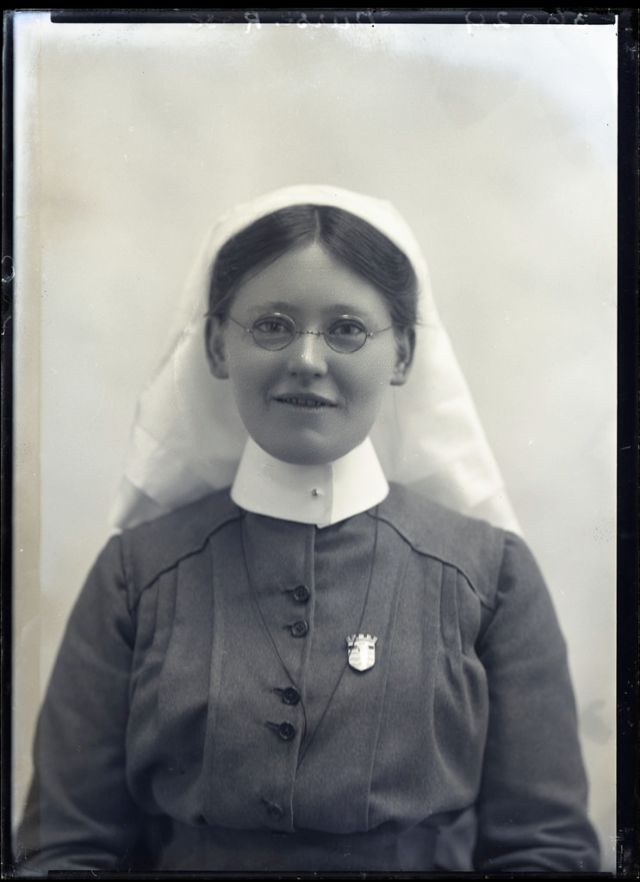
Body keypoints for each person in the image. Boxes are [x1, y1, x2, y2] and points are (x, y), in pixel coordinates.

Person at [15, 185, 600, 873]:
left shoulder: (492, 576)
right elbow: (66, 847)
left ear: (404, 353)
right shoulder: (136, 575)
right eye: (272, 325)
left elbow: (544, 849)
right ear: (216, 345)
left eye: (348, 329)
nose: (308, 360)